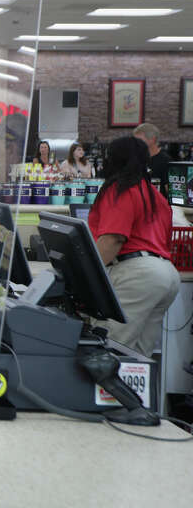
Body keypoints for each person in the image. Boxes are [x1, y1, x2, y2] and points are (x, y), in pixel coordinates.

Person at [88, 136, 179, 357]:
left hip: (137, 276)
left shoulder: (120, 189)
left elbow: (113, 240)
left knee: (108, 353)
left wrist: (87, 272)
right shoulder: (155, 195)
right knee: (138, 358)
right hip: (167, 276)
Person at [134, 123, 172, 197]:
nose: (136, 144)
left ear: (152, 139)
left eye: (139, 140)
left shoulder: (165, 161)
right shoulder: (136, 159)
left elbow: (170, 193)